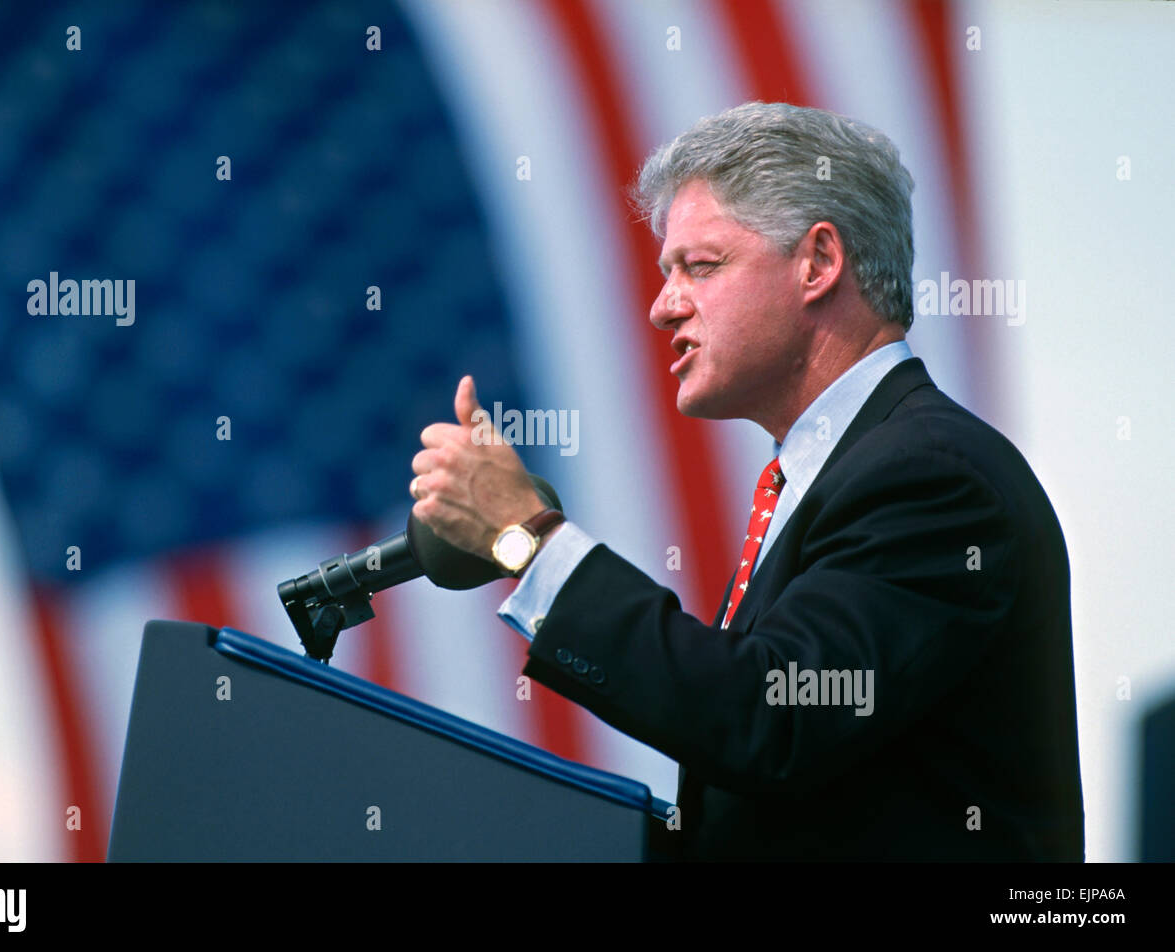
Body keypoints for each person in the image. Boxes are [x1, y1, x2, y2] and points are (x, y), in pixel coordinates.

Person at [408, 102, 1085, 861]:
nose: (663, 308)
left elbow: (771, 716)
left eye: (700, 266)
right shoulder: (844, 471)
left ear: (818, 264)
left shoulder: (932, 476)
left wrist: (530, 541)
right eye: (668, 273)